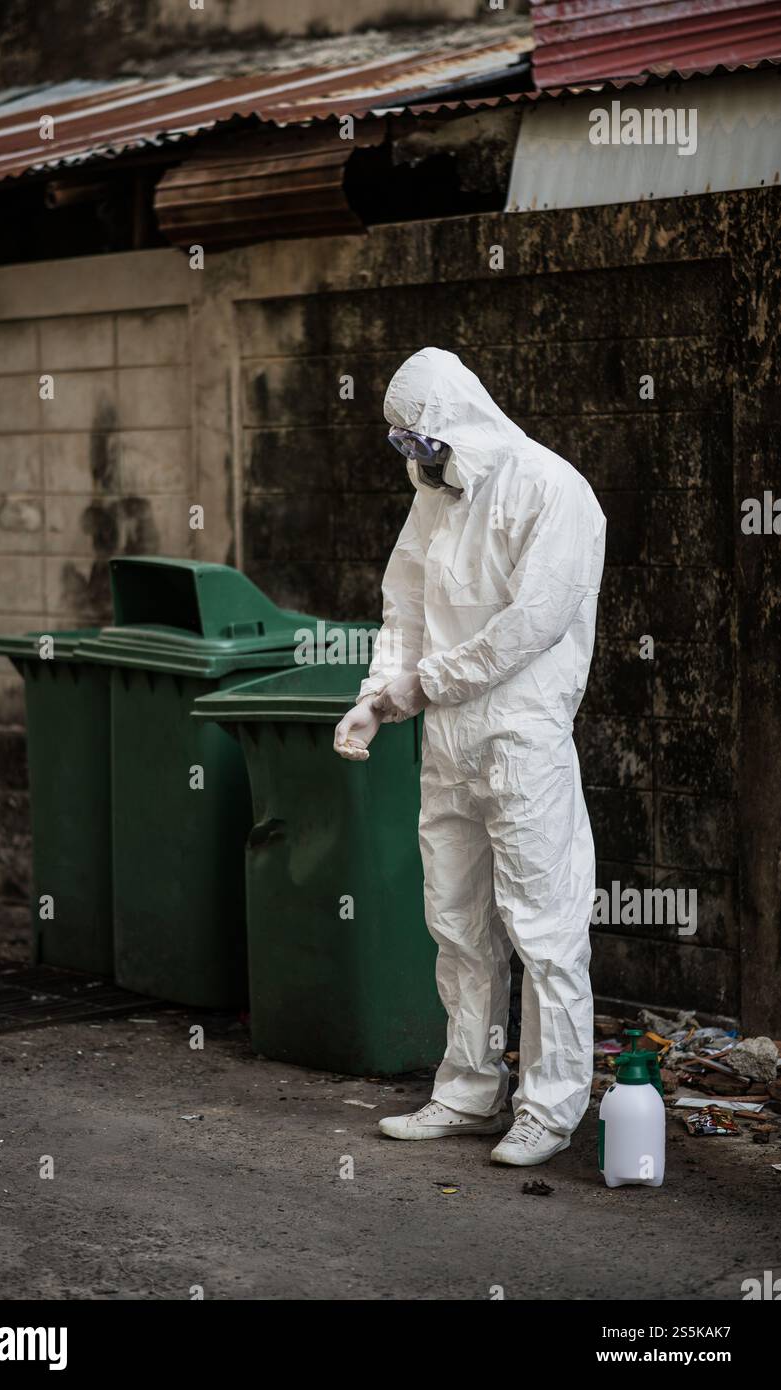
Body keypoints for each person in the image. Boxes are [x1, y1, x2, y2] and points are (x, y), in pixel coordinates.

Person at [333, 347, 606, 1167]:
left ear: (458, 425)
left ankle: (549, 1110)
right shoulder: (435, 498)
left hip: (521, 740)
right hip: (447, 739)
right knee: (456, 924)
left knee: (544, 930)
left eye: (423, 444)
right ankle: (467, 1090)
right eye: (405, 448)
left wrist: (420, 685)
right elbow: (402, 604)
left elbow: (533, 623)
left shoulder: (552, 489)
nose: (417, 462)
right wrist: (378, 694)